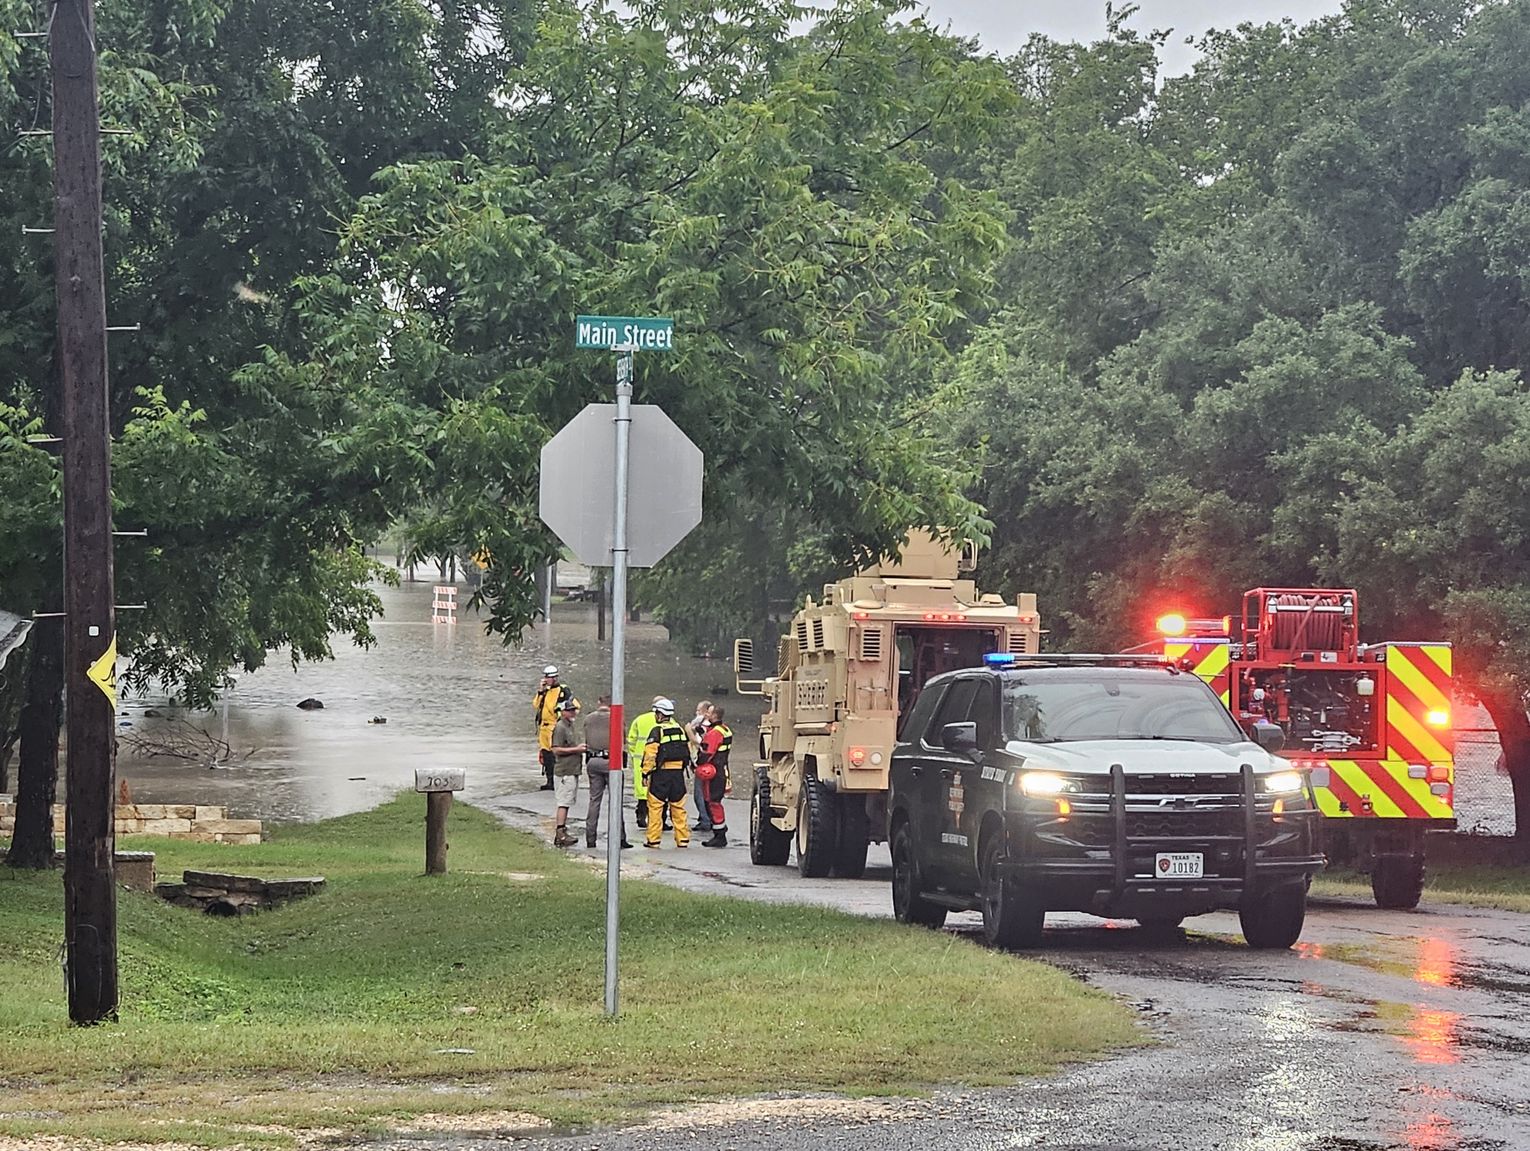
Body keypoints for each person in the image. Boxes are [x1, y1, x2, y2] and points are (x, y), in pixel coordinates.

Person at [584, 696, 632, 850]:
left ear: (599, 703)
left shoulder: (588, 718)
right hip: (611, 762)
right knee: (616, 800)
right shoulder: (616, 718)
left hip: (592, 761)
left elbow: (587, 739)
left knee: (594, 800)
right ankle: (620, 838)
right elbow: (622, 740)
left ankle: (590, 838)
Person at [641, 698, 690, 848]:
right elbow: (686, 750)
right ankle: (683, 839)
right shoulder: (680, 729)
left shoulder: (657, 731)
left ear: (660, 714)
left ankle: (653, 840)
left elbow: (650, 754)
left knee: (655, 807)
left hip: (661, 774)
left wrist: (645, 772)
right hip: (678, 775)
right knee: (678, 807)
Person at [549, 699, 585, 847]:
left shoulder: (571, 726)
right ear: (562, 712)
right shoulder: (560, 727)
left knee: (567, 801)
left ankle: (563, 831)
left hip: (572, 770)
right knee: (563, 802)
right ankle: (560, 834)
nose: (572, 712)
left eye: (573, 710)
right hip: (564, 771)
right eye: (569, 710)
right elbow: (555, 749)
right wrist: (576, 750)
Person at [695, 705, 733, 848]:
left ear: (715, 716)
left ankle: (719, 834)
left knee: (712, 802)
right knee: (714, 801)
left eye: (709, 713)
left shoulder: (714, 733)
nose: (706, 715)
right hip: (722, 769)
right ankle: (719, 831)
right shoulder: (725, 729)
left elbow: (707, 752)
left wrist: (697, 764)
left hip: (713, 772)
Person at [626, 696, 664, 830]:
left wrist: (635, 753)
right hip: (659, 759)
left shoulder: (640, 719)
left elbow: (631, 739)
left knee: (642, 790)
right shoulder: (667, 720)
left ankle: (641, 817)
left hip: (640, 759)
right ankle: (658, 820)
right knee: (659, 790)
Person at [687, 700, 714, 832]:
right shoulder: (716, 728)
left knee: (700, 794)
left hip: (704, 765)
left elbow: (699, 743)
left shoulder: (703, 725)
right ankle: (708, 818)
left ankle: (705, 820)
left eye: (699, 710)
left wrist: (688, 730)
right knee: (708, 793)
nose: (697, 712)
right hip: (711, 765)